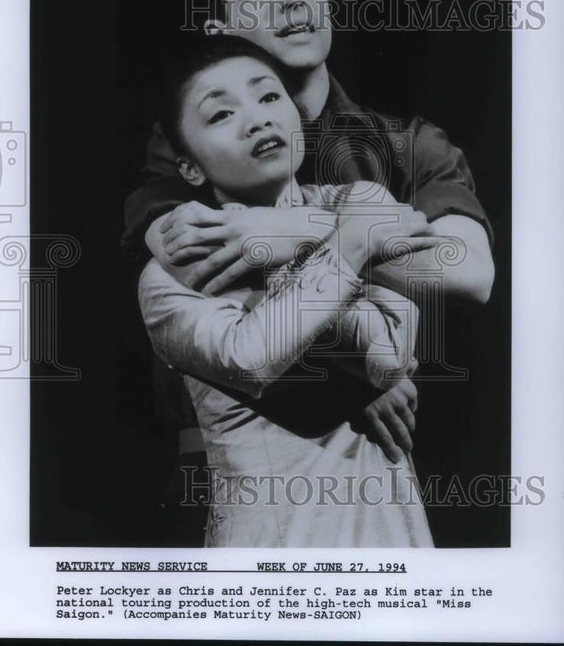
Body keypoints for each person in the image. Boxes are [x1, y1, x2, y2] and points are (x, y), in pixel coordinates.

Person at [124, 0, 494, 466]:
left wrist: (292, 228)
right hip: (226, 463)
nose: (294, 0)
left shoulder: (410, 145)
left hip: (382, 462)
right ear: (217, 25)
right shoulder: (183, 149)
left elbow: (470, 273)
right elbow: (193, 294)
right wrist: (352, 381)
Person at [139, 34, 439, 547]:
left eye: (269, 96)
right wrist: (346, 247)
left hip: (393, 538)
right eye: (220, 115)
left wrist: (301, 235)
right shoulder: (172, 271)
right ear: (188, 166)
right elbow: (253, 357)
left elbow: (391, 356)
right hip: (269, 550)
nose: (257, 119)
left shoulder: (361, 199)